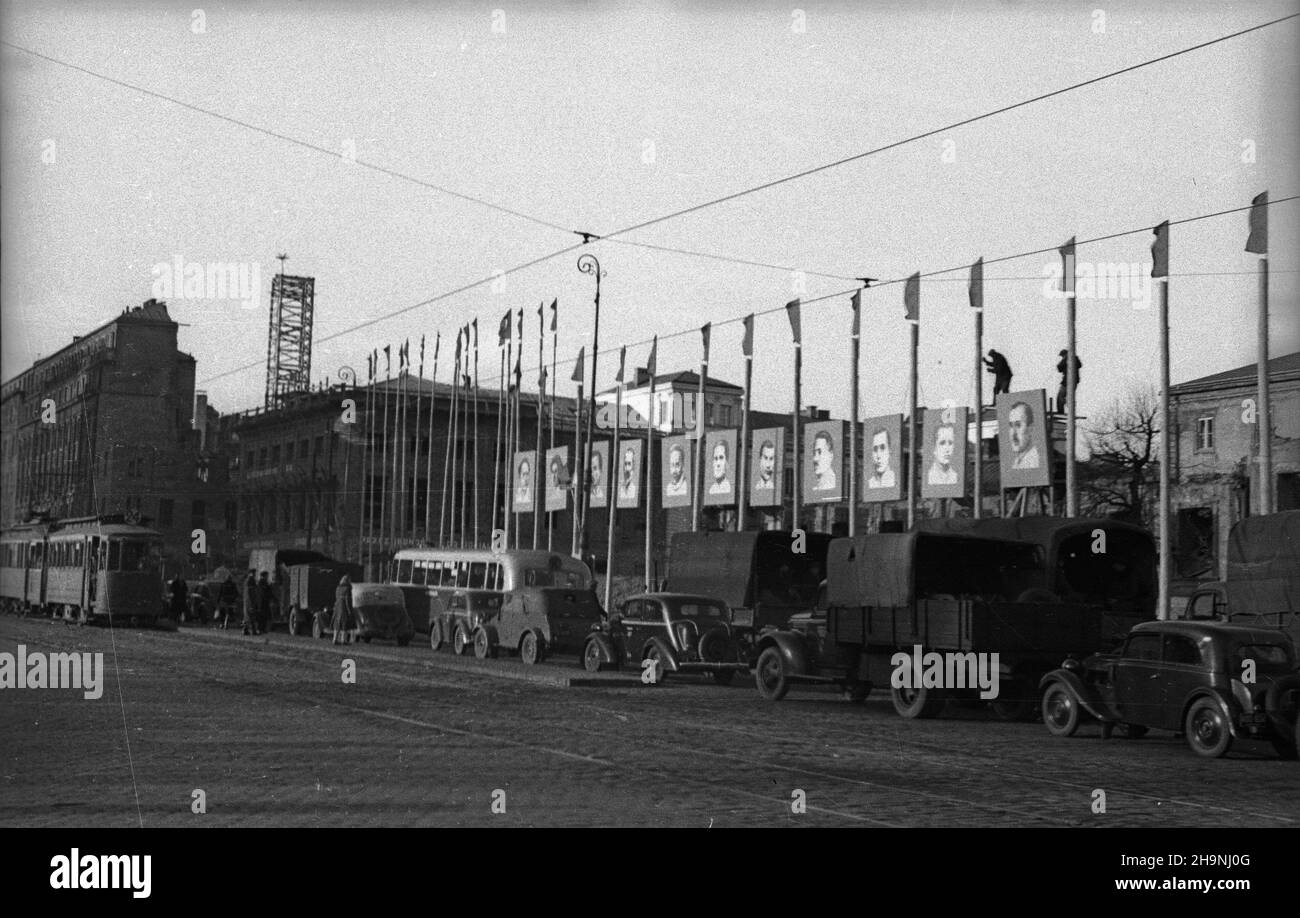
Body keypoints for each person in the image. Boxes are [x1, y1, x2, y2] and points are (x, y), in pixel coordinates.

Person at [1008, 400, 1041, 469]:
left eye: (1018, 425)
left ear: (1030, 428)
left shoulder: (1035, 462)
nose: (1013, 433)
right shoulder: (1017, 461)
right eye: (1011, 425)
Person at [332, 574, 355, 645]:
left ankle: (334, 639)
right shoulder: (348, 588)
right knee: (345, 624)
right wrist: (349, 610)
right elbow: (347, 600)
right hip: (344, 608)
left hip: (337, 607)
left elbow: (336, 598)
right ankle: (343, 640)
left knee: (337, 624)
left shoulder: (338, 588)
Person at [242, 570, 260, 635]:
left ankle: (245, 630)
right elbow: (251, 592)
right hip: (250, 601)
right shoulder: (251, 580)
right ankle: (253, 631)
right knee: (252, 616)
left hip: (247, 600)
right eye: (254, 573)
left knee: (247, 616)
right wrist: (253, 601)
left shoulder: (247, 580)